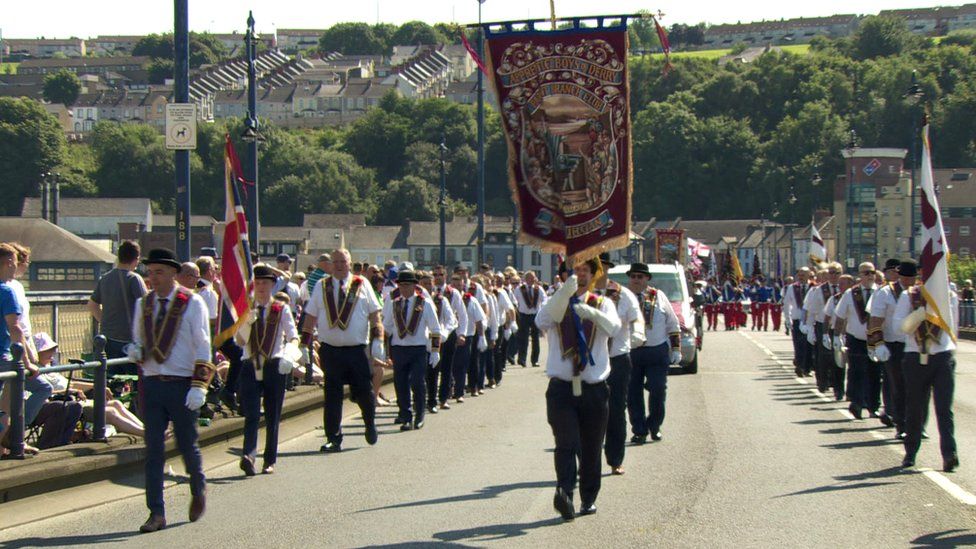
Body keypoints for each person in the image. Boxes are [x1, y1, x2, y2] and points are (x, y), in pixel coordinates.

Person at [130, 248, 215, 533]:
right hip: (153, 383)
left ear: (173, 274)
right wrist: (135, 350)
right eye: (150, 272)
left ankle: (198, 487)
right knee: (153, 450)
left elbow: (203, 344)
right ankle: (156, 512)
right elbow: (139, 339)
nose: (153, 278)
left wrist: (200, 385)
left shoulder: (191, 303)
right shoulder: (144, 304)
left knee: (187, 444)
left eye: (159, 272)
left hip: (181, 383)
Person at [536, 258, 620, 520]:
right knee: (566, 443)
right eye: (574, 271)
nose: (580, 275)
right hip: (561, 388)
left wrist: (592, 313)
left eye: (585, 270)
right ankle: (565, 493)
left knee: (591, 448)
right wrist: (564, 294)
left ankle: (588, 497)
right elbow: (542, 321)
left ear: (593, 275)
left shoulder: (603, 302)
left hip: (593, 388)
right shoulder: (555, 301)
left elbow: (614, 328)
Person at [301, 249, 381, 453]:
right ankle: (333, 437)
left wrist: (378, 339)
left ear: (350, 262)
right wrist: (304, 344)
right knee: (332, 395)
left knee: (364, 391)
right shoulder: (322, 286)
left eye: (342, 261)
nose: (338, 265)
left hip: (357, 350)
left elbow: (374, 313)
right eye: (335, 262)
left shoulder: (361, 284)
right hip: (331, 350)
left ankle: (369, 424)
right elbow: (310, 316)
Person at [233, 264, 300, 475]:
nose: (261, 287)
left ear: (272, 285)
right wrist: (247, 323)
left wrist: (290, 355)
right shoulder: (246, 308)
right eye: (258, 283)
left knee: (273, 415)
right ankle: (249, 455)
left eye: (265, 283)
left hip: (274, 364)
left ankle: (269, 460)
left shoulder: (281, 309)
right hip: (250, 364)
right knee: (251, 413)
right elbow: (238, 340)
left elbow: (293, 336)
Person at [894, 259, 959, 471]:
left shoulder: (949, 297)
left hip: (942, 356)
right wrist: (921, 313)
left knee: (944, 409)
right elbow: (898, 327)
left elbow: (953, 329)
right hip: (916, 356)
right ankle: (911, 452)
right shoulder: (909, 295)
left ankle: (949, 454)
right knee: (915, 407)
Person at [596, 254, 641, 476]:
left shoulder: (623, 294)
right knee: (589, 411)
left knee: (615, 410)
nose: (598, 271)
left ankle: (615, 459)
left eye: (602, 267)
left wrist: (639, 335)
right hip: (591, 360)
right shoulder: (581, 294)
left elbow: (636, 318)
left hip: (617, 358)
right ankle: (587, 460)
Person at [626, 262, 681, 444]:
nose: (636, 280)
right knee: (633, 394)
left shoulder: (658, 296)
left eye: (640, 276)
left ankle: (654, 425)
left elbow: (672, 323)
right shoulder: (622, 298)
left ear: (647, 279)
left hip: (656, 351)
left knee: (658, 389)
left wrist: (675, 349)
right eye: (633, 276)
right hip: (631, 352)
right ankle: (639, 430)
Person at [383, 270, 440, 431]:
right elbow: (386, 326)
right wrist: (379, 345)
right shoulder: (394, 303)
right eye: (401, 285)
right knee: (400, 384)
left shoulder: (425, 303)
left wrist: (435, 350)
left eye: (407, 285)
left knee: (417, 382)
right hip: (399, 349)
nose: (403, 288)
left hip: (418, 348)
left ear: (415, 286)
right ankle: (406, 416)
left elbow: (435, 328)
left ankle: (420, 414)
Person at [88, 240, 147, 377]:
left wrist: (105, 321)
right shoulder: (134, 279)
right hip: (129, 340)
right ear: (136, 259)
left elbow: (92, 304)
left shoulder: (105, 278)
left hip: (107, 339)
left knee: (110, 380)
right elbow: (147, 306)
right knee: (135, 381)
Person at [867, 258, 908, 436]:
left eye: (897, 271)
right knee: (894, 382)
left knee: (915, 386)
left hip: (913, 344)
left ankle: (917, 424)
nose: (894, 274)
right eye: (891, 271)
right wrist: (877, 344)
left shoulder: (916, 291)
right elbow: (875, 320)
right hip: (892, 343)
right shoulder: (884, 292)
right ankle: (893, 414)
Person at [833, 262, 878, 419]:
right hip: (856, 339)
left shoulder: (880, 292)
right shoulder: (851, 293)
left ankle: (873, 406)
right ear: (860, 275)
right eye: (866, 272)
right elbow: (840, 316)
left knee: (874, 373)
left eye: (872, 272)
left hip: (875, 338)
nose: (870, 275)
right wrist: (836, 336)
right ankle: (857, 404)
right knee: (857, 372)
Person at [420, 271, 457, 413]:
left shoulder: (441, 300)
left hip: (437, 339)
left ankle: (435, 401)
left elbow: (451, 320)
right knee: (423, 374)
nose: (428, 286)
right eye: (424, 283)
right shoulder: (417, 300)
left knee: (436, 371)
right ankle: (421, 400)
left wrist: (444, 333)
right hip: (421, 341)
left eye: (430, 283)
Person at [431, 266, 465, 410]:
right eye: (435, 274)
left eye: (441, 274)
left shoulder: (453, 292)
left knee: (446, 367)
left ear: (446, 276)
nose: (438, 277)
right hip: (433, 334)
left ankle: (443, 398)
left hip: (449, 333)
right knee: (432, 367)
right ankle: (430, 398)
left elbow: (462, 314)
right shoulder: (429, 292)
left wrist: (461, 333)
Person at [450, 271, 486, 403]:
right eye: (453, 285)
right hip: (450, 336)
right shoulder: (446, 298)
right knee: (450, 365)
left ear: (463, 286)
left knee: (463, 364)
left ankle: (461, 391)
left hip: (467, 336)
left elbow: (479, 320)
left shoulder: (471, 300)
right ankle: (450, 389)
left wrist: (482, 336)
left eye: (459, 285)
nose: (456, 288)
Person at [803, 263, 841, 386]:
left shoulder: (844, 289)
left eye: (837, 273)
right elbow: (812, 310)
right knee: (823, 355)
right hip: (822, 325)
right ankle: (822, 380)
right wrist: (809, 328)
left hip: (838, 326)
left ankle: (836, 384)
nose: (834, 275)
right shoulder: (820, 289)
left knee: (837, 356)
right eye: (831, 272)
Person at [515, 271, 546, 368]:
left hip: (535, 315)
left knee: (535, 338)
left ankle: (534, 360)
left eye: (533, 278)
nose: (532, 280)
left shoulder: (538, 289)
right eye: (530, 278)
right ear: (525, 279)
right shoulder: (519, 289)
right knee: (523, 338)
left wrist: (542, 307)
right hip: (523, 315)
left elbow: (544, 299)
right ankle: (522, 359)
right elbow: (514, 300)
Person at [784, 268, 810, 375]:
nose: (801, 277)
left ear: (809, 275)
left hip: (809, 320)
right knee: (798, 344)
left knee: (808, 345)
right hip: (797, 319)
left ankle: (806, 366)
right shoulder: (792, 287)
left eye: (803, 275)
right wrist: (787, 319)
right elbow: (787, 304)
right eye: (799, 275)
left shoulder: (814, 287)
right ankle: (799, 365)